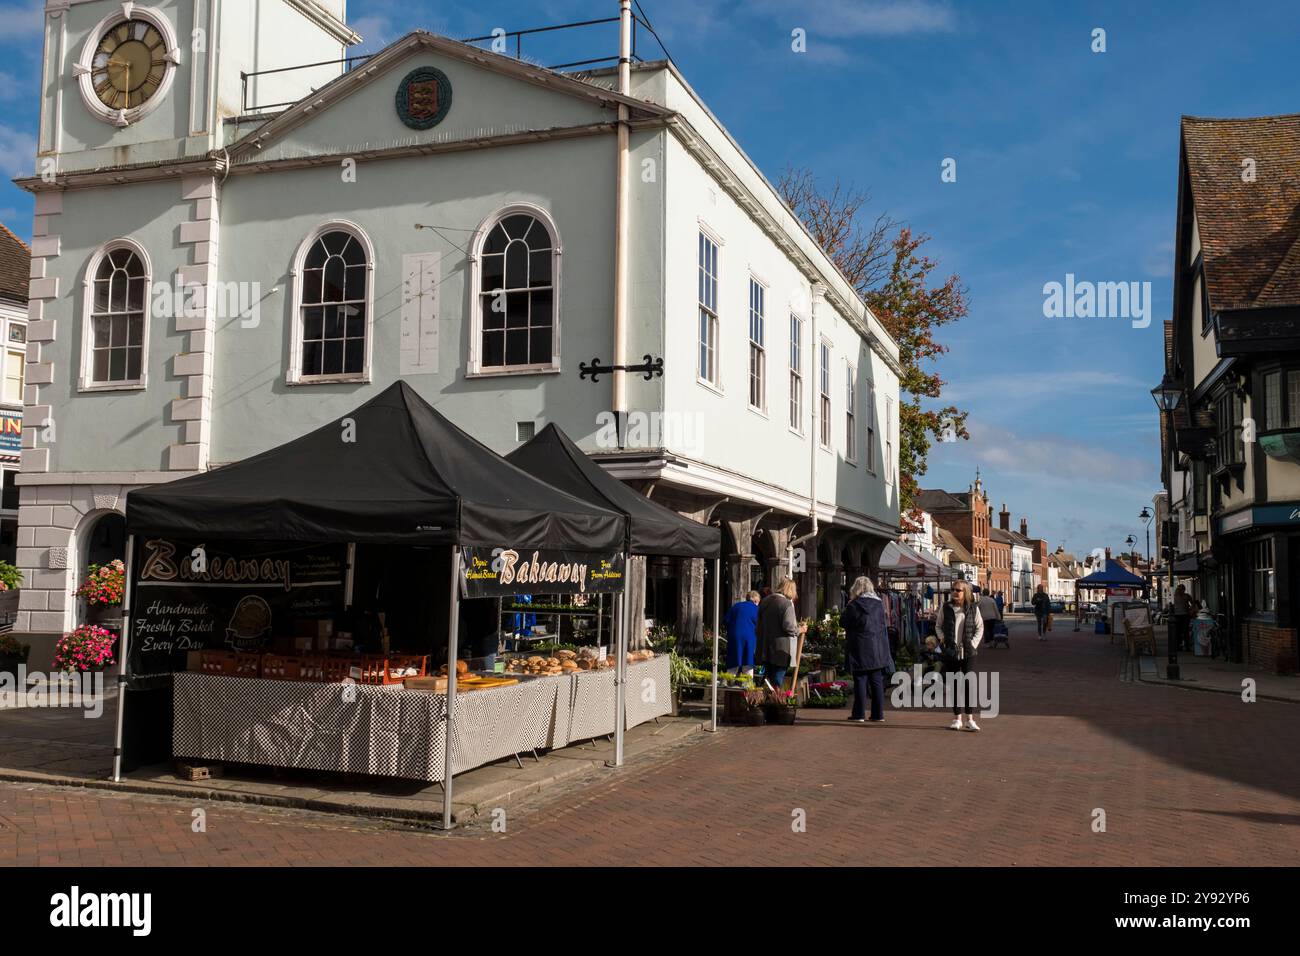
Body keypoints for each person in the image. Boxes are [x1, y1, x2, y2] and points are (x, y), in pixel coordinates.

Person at [841, 576, 891, 722]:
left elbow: (843, 622)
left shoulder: (854, 605)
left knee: (860, 680)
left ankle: (859, 714)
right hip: (877, 647)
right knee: (876, 681)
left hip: (859, 647)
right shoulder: (879, 604)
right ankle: (878, 714)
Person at [936, 580, 984, 731]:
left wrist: (973, 644)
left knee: (968, 684)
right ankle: (957, 718)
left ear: (966, 592)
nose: (955, 592)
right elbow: (938, 626)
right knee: (954, 685)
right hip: (951, 652)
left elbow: (979, 627)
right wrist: (943, 639)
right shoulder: (946, 607)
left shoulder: (973, 608)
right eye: (953, 589)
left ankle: (970, 719)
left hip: (968, 652)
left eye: (958, 590)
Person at [757, 578, 804, 689]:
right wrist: (800, 629)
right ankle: (775, 703)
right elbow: (789, 627)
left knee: (769, 680)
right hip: (780, 649)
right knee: (777, 682)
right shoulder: (786, 604)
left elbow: (758, 624)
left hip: (765, 647)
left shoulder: (765, 601)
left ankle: (767, 702)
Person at [723, 590, 760, 677]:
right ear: (755, 601)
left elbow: (725, 621)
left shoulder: (736, 606)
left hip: (734, 637)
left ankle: (728, 684)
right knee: (748, 664)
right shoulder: (756, 609)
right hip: (749, 638)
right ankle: (747, 687)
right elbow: (760, 625)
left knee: (733, 664)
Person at [1171, 584, 1191, 653]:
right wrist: (1189, 608)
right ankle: (1187, 646)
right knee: (1185, 631)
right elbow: (1193, 603)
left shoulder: (1175, 596)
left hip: (1177, 615)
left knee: (1178, 632)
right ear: (1184, 589)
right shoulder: (1186, 596)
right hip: (1185, 615)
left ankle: (1178, 646)